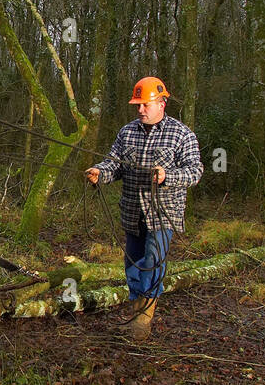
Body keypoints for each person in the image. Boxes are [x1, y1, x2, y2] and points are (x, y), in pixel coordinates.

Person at [85, 77, 202, 341]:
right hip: (132, 211)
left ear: (162, 103)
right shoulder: (127, 132)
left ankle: (143, 321)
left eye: (145, 105)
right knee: (133, 265)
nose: (140, 110)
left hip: (163, 213)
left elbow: (195, 172)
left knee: (152, 262)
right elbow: (114, 164)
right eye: (137, 105)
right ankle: (137, 310)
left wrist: (167, 176)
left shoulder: (182, 134)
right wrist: (99, 173)